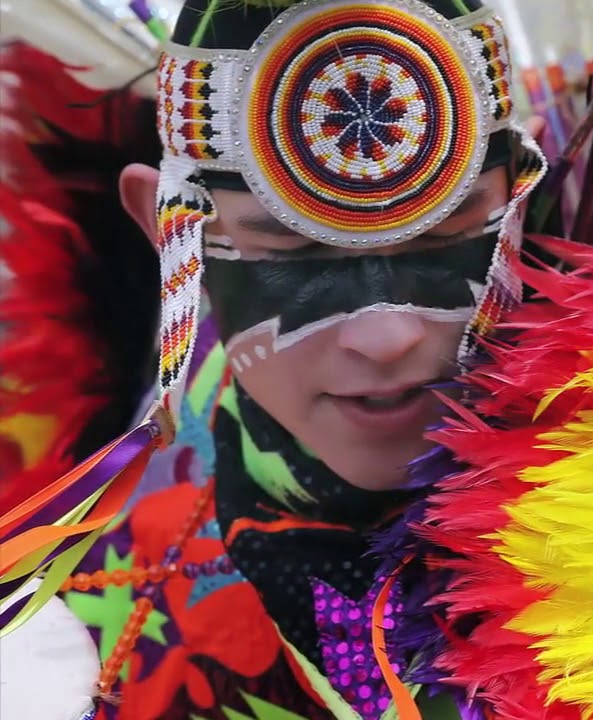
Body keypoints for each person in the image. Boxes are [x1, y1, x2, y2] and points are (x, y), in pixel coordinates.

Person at [0, 0, 545, 717]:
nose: (385, 335)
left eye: (446, 236)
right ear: (168, 232)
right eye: (294, 250)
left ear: (526, 199)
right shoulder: (58, 622)